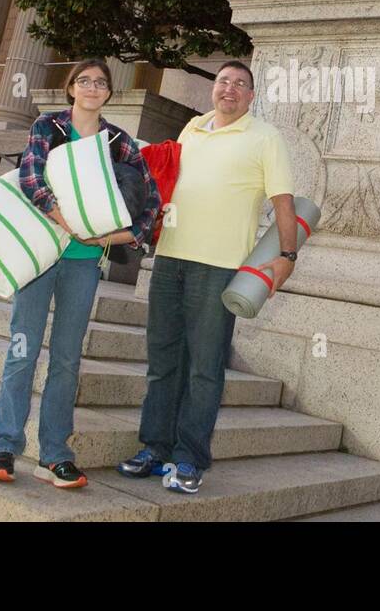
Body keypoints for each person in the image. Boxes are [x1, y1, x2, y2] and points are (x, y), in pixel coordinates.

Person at [117, 60, 296, 493]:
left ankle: (190, 458)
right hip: (171, 259)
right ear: (212, 89)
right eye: (223, 81)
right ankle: (155, 448)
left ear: (251, 97)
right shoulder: (192, 129)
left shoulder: (265, 138)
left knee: (204, 366)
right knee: (163, 360)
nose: (230, 89)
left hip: (220, 267)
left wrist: (287, 256)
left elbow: (284, 202)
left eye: (240, 84)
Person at [0, 58, 161, 488]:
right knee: (22, 349)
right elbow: (29, 175)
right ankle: (3, 447)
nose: (92, 88)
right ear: (71, 87)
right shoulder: (49, 127)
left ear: (108, 93)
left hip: (84, 260)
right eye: (85, 81)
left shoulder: (118, 140)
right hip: (41, 251)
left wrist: (119, 239)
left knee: (66, 358)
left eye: (101, 83)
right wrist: (61, 217)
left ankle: (54, 454)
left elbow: (151, 198)